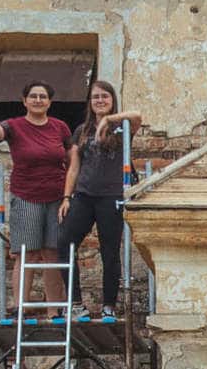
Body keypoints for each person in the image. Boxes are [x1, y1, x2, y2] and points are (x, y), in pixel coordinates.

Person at [0, 82, 72, 308]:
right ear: (24, 101)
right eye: (33, 96)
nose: (38, 100)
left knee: (53, 254)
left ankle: (54, 311)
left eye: (43, 97)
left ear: (50, 102)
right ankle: (21, 309)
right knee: (27, 254)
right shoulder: (14, 126)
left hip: (57, 198)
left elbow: (71, 158)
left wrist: (68, 194)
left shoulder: (60, 127)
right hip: (26, 196)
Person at [60, 79, 144, 320]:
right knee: (64, 242)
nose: (100, 100)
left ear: (112, 100)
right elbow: (74, 167)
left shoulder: (122, 127)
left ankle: (109, 305)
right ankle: (76, 303)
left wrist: (108, 120)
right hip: (84, 195)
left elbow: (138, 115)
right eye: (95, 97)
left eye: (104, 96)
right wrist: (66, 197)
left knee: (110, 252)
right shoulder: (81, 131)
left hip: (112, 196)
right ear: (90, 102)